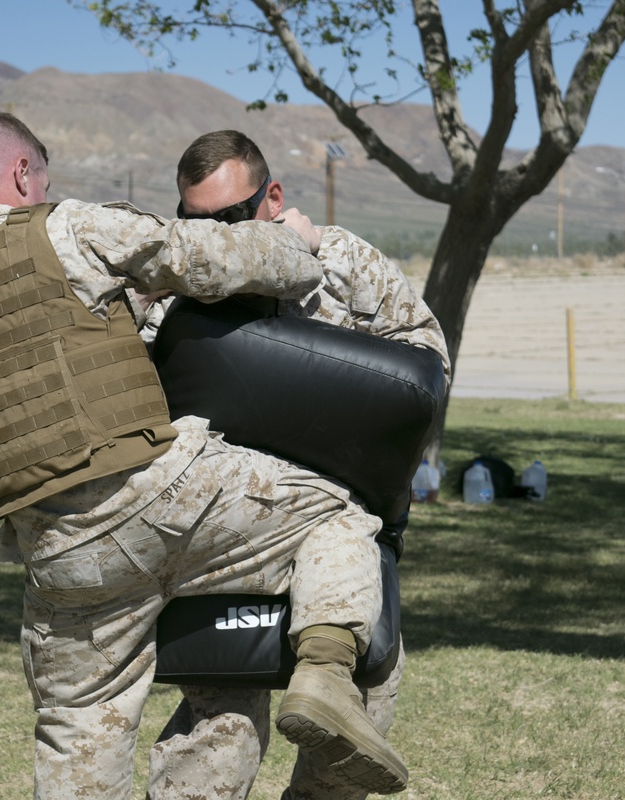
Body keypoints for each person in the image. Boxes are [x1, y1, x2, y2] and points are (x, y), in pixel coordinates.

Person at [0, 112, 409, 800]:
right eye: (42, 177)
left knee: (76, 728)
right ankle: (325, 673)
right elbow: (212, 257)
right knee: (341, 505)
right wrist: (292, 249)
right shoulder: (69, 228)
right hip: (161, 498)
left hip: (58, 554)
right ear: (23, 173)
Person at [146, 130, 451, 800]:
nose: (212, 237)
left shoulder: (340, 260)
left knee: (359, 705)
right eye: (193, 222)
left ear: (272, 198)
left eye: (228, 219)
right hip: (231, 530)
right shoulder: (173, 289)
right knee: (221, 725)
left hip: (341, 522)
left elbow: (424, 364)